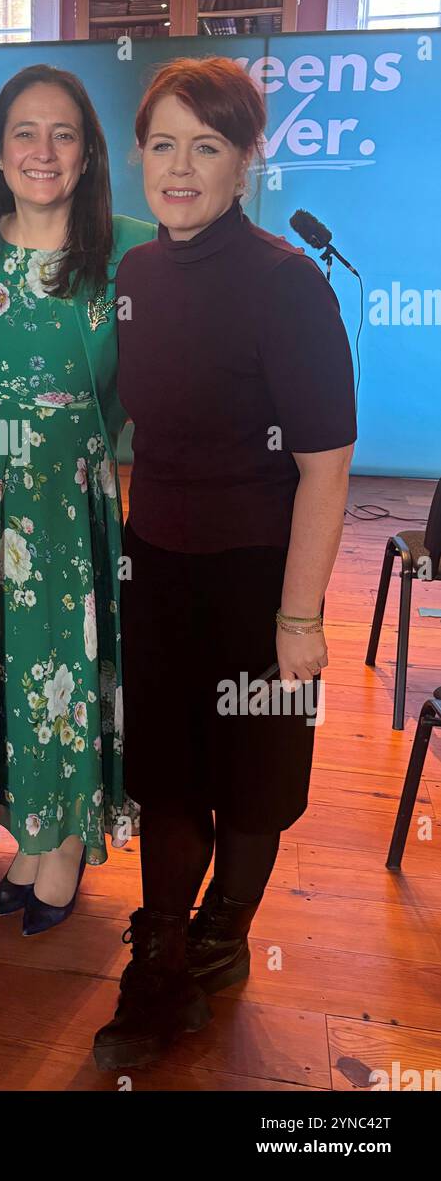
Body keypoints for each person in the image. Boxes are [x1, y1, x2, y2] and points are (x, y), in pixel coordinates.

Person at [93, 56, 357, 1069]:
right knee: (166, 772)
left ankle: (218, 939)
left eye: (205, 146)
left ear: (247, 160)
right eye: (161, 143)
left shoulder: (285, 283)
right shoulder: (134, 273)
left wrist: (298, 620)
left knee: (249, 776)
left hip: (258, 574)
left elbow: (325, 470)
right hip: (155, 562)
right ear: (138, 154)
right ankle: (158, 947)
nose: (178, 167)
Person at [0, 64, 155, 933]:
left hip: (70, 500)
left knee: (64, 670)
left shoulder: (130, 247)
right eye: (23, 133)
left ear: (87, 152)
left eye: (62, 133)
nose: (42, 150)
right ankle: (25, 833)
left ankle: (65, 840)